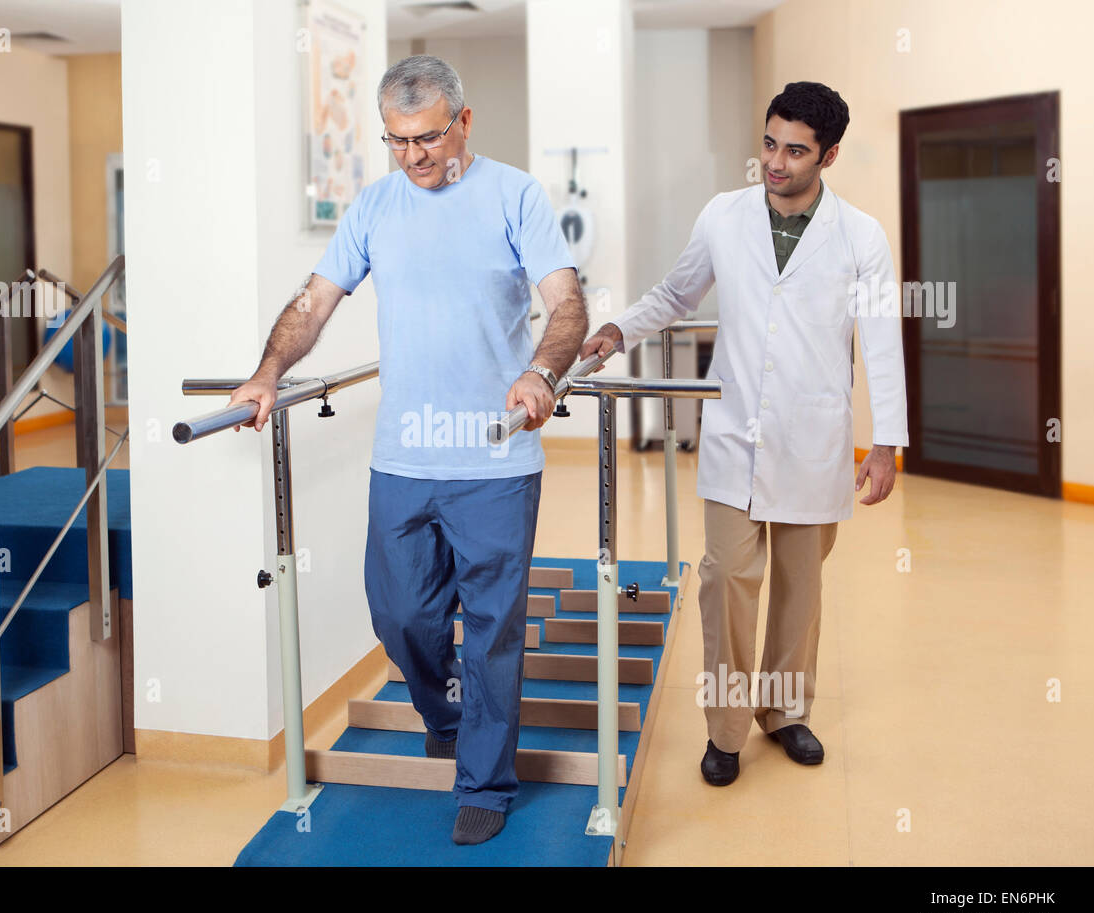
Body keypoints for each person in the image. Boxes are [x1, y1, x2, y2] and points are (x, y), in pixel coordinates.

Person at [227, 55, 588, 842]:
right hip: (403, 460)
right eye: (396, 140)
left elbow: (567, 303)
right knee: (400, 617)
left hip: (494, 461)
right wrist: (267, 373)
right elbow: (313, 301)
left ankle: (485, 786)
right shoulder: (375, 206)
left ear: (463, 120)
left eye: (426, 138)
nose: (413, 155)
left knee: (492, 630)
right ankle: (441, 708)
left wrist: (540, 373)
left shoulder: (515, 195)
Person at [580, 81, 908, 786]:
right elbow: (675, 295)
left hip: (814, 440)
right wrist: (618, 329)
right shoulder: (723, 216)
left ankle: (786, 714)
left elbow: (881, 338)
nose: (776, 162)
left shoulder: (861, 236)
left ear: (830, 155)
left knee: (799, 589)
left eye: (795, 150)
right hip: (735, 435)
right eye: (769, 144)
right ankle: (725, 730)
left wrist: (887, 442)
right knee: (725, 579)